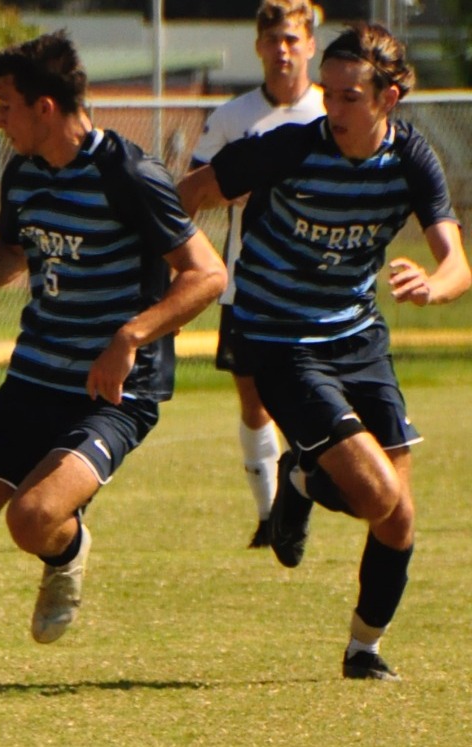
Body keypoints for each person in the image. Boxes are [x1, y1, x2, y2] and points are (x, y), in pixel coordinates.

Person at [0, 32, 225, 708]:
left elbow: (207, 274)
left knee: (34, 517)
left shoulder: (130, 174)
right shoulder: (25, 172)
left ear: (45, 106)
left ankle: (65, 552)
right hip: (35, 376)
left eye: (5, 106)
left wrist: (130, 335)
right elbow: (14, 253)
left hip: (114, 391)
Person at [178, 23, 470, 682]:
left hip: (356, 335)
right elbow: (188, 196)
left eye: (348, 98)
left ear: (388, 97)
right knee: (373, 492)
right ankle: (306, 478)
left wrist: (433, 285)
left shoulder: (411, 160)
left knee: (398, 515)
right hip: (279, 337)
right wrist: (177, 271)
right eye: (328, 95)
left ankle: (362, 648)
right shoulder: (285, 147)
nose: (331, 110)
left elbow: (458, 263)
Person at [189, 0, 325, 549]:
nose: (283, 50)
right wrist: (226, 189)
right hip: (247, 285)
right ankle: (271, 516)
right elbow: (191, 189)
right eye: (273, 40)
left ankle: (300, 489)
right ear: (258, 47)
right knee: (253, 401)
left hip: (318, 287)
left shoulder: (329, 111)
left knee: (315, 397)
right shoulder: (232, 117)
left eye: (293, 39)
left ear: (311, 45)